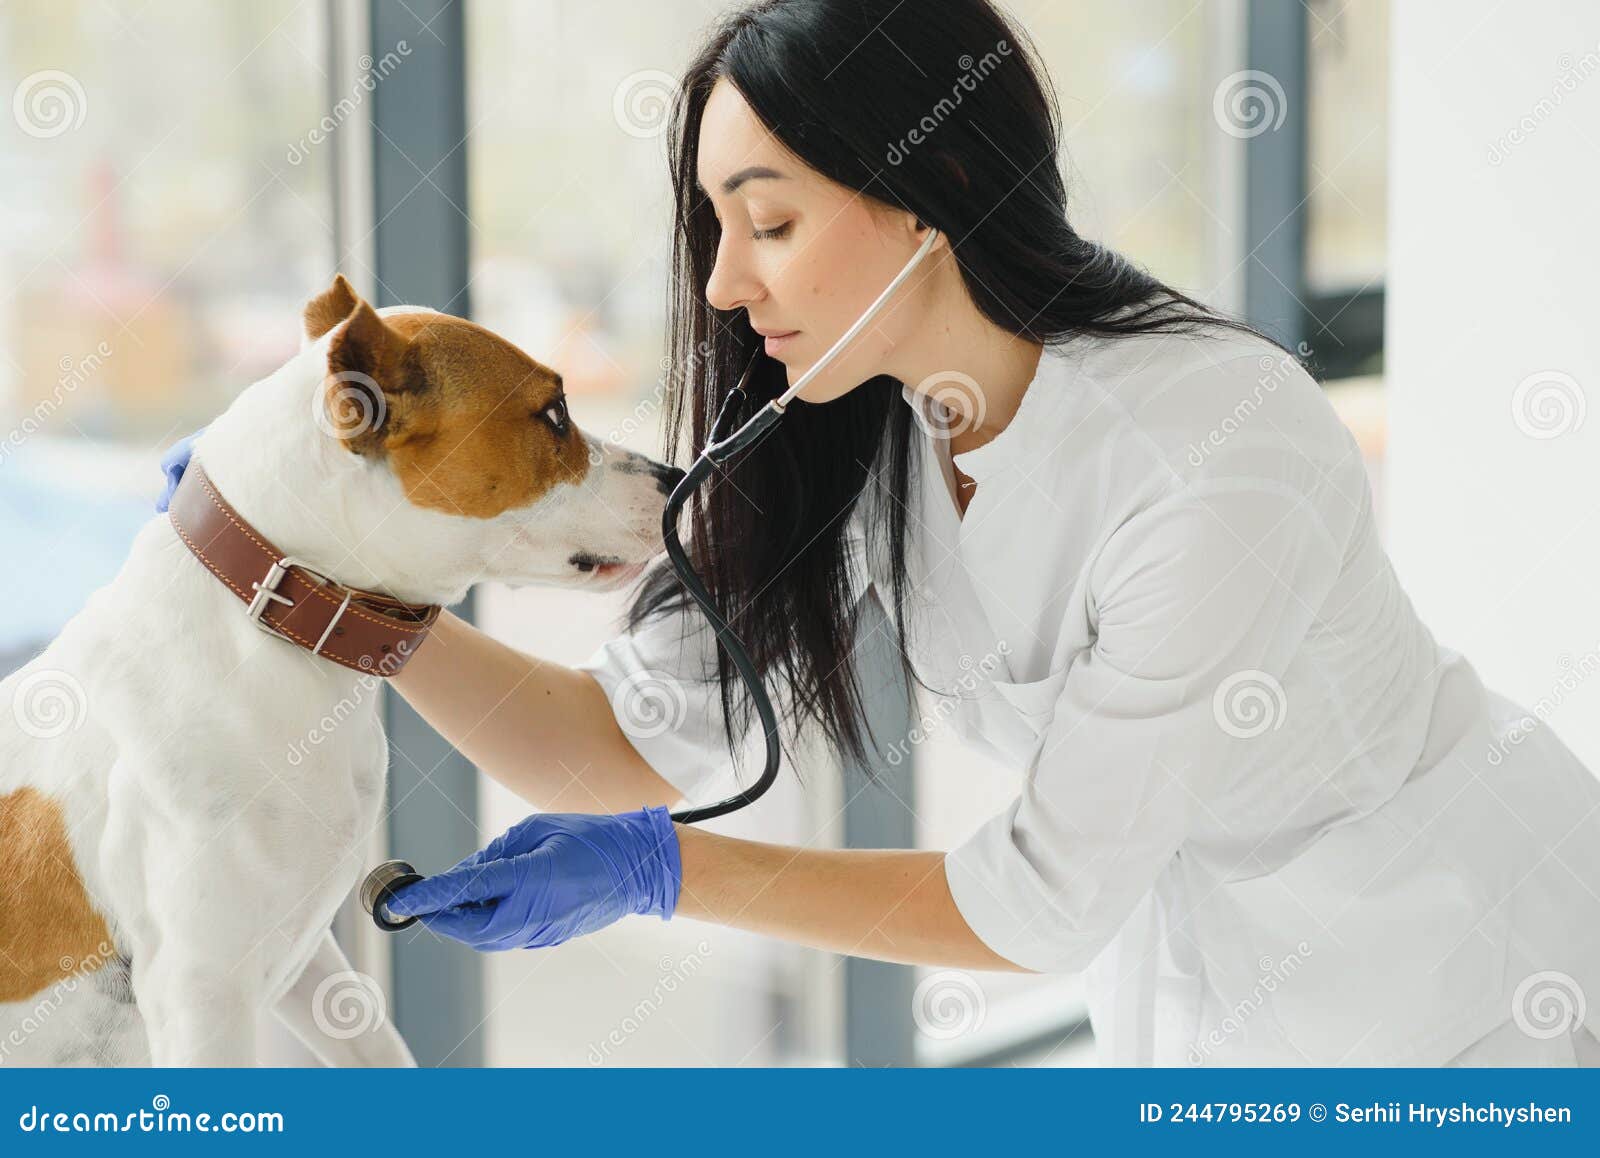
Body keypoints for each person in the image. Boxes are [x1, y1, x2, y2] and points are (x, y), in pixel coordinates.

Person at [157, 0, 1600, 1066]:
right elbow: (613, 744)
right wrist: (315, 591)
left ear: (942, 195)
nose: (723, 285)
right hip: (1210, 992)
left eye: (768, 222)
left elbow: (1033, 901)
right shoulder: (860, 430)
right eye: (712, 227)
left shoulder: (1222, 451)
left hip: (1467, 973)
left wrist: (662, 871)